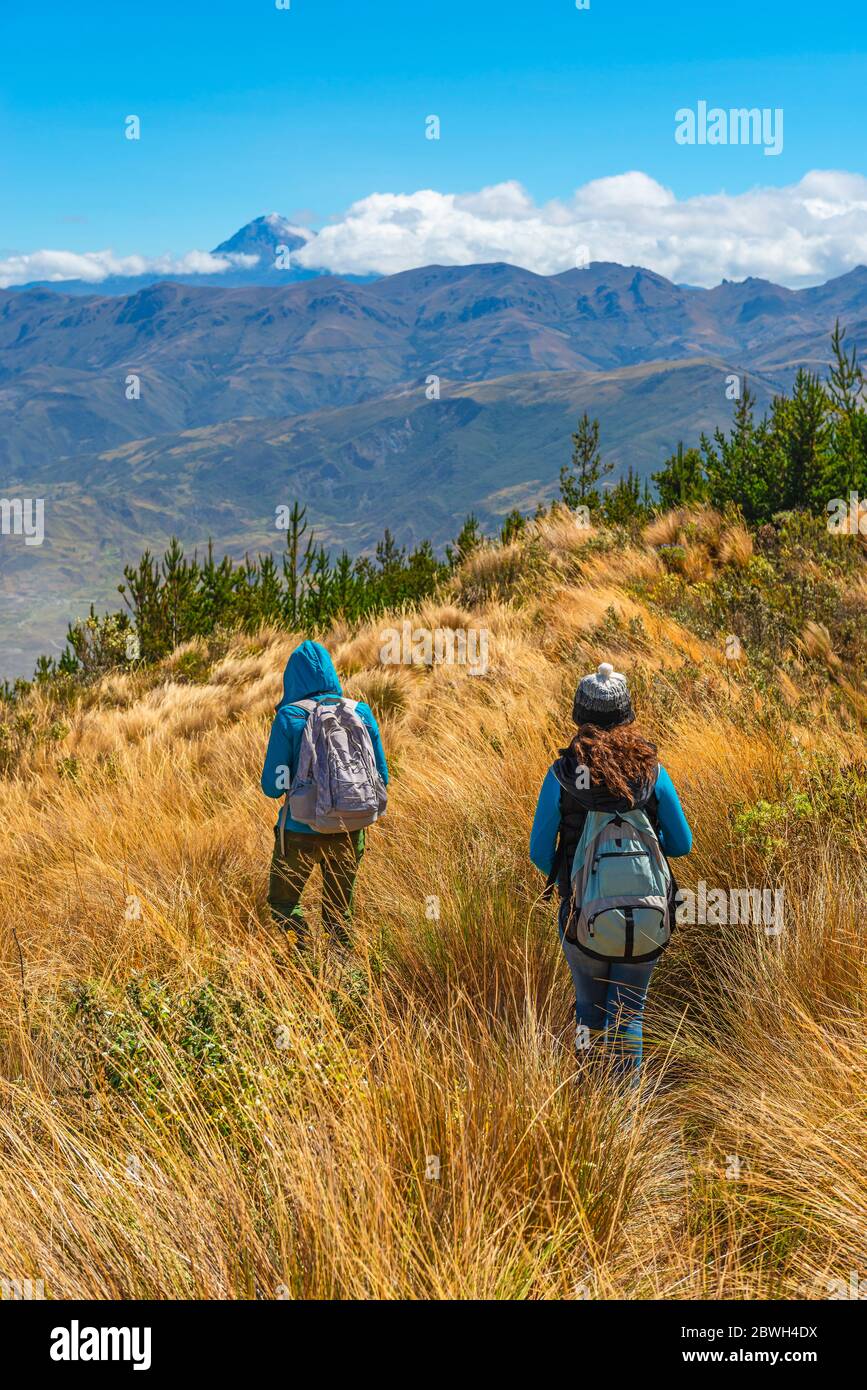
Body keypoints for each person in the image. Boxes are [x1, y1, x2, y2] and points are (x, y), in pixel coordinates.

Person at [530, 661, 692, 1080]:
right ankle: (625, 1109)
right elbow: (681, 844)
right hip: (648, 918)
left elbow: (538, 852)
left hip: (583, 916)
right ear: (628, 716)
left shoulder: (564, 776)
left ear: (579, 716)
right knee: (628, 1014)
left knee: (589, 1012)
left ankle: (589, 1089)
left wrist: (571, 876)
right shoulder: (652, 773)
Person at [261, 639, 388, 949]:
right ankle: (344, 978)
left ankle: (302, 960)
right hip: (350, 828)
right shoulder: (360, 711)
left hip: (299, 831)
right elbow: (381, 777)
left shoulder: (289, 717)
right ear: (331, 674)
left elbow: (272, 786)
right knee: (338, 913)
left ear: (291, 679)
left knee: (284, 902)